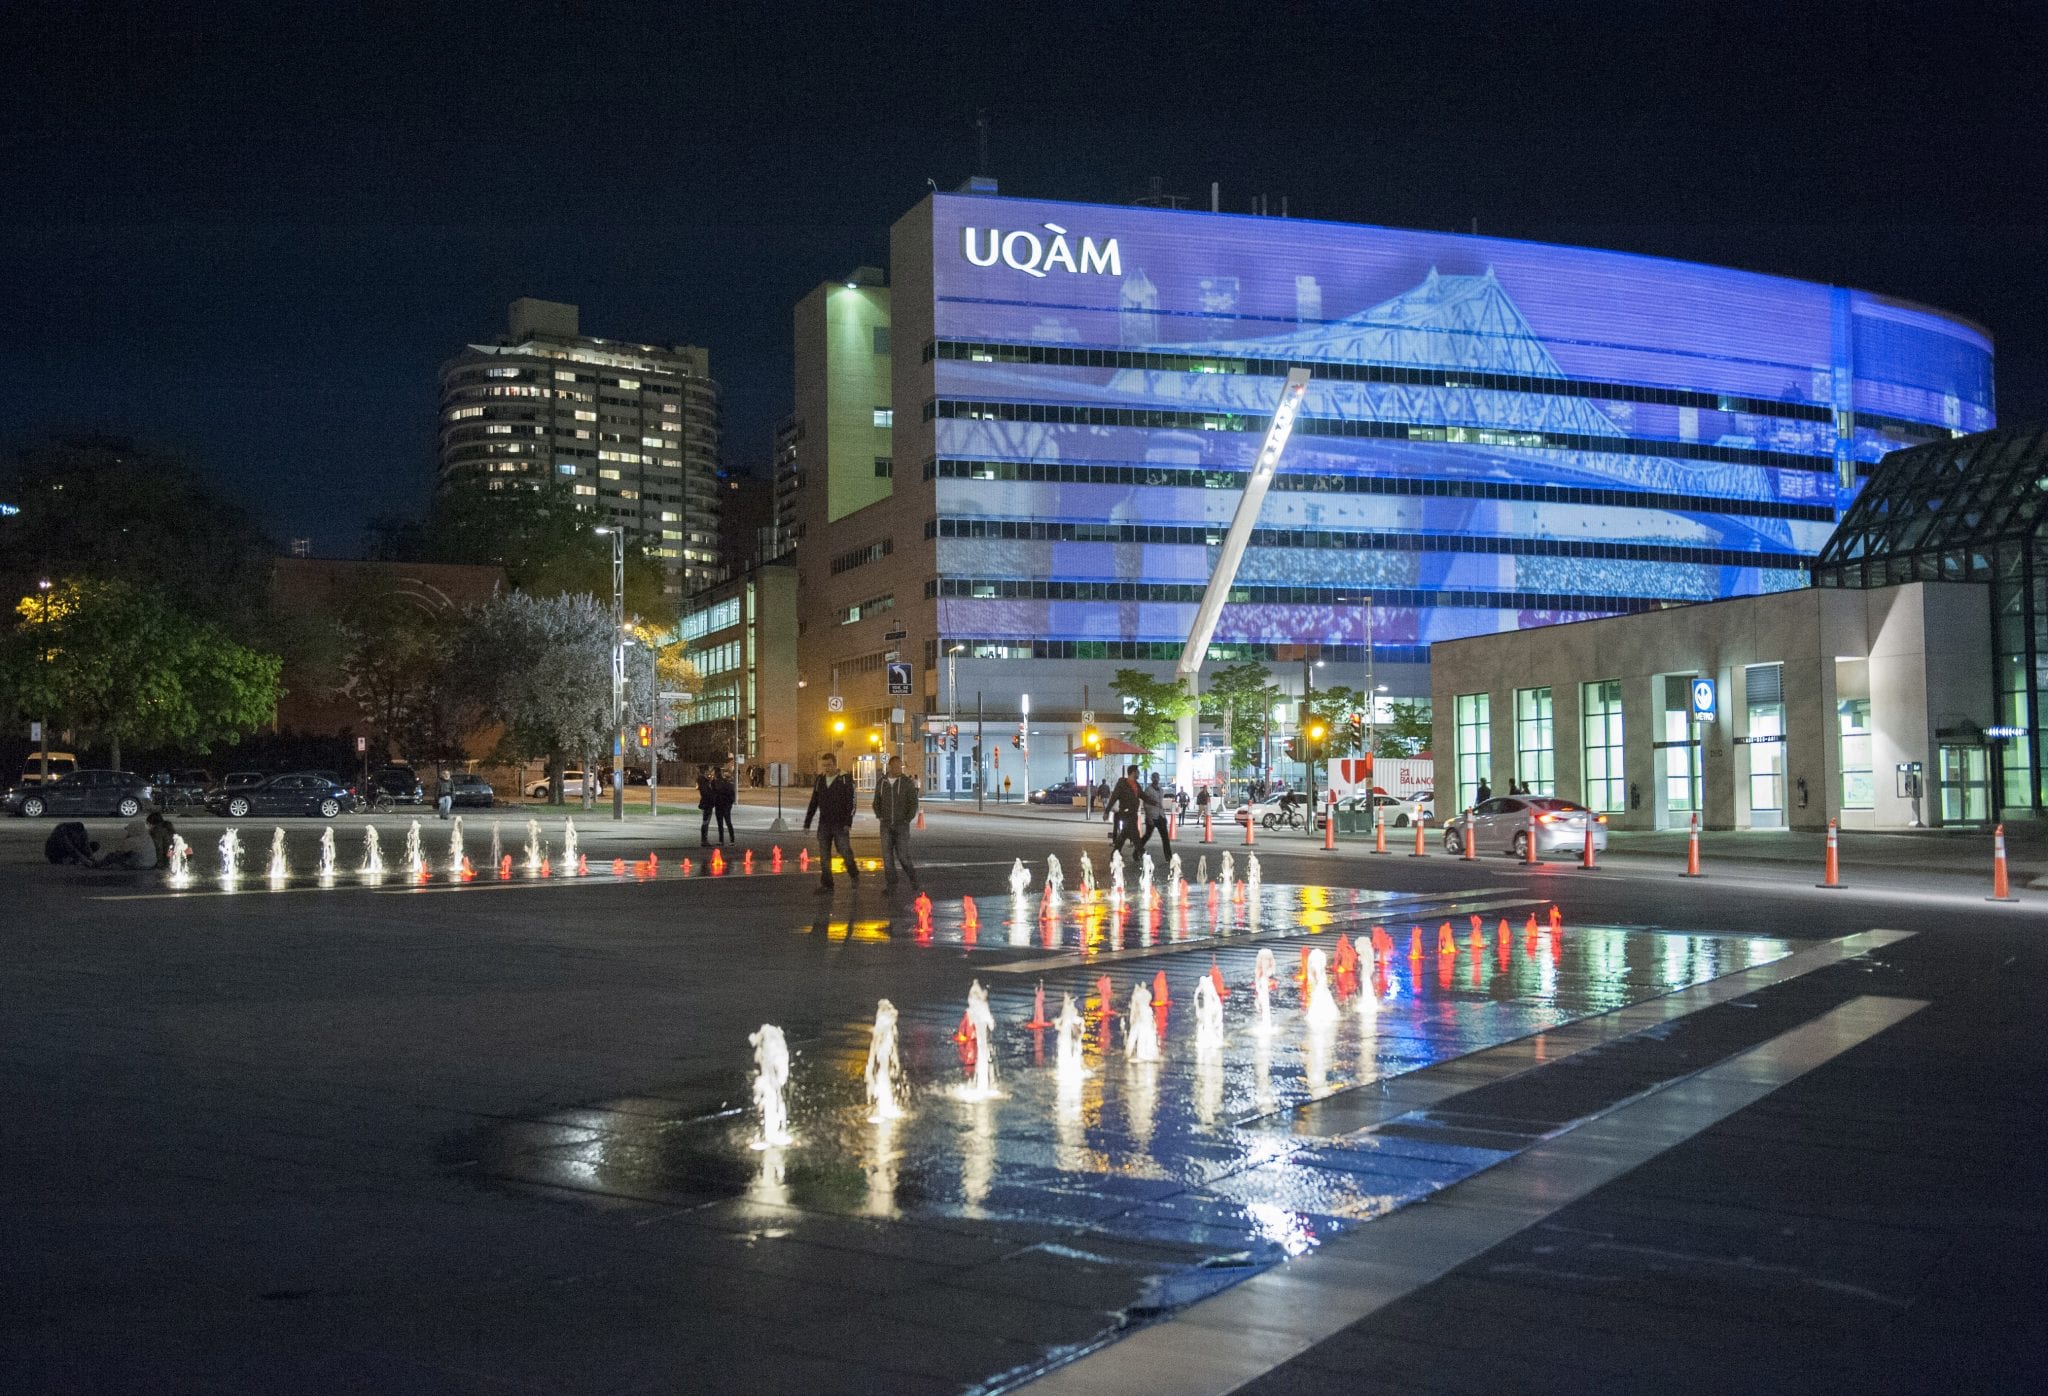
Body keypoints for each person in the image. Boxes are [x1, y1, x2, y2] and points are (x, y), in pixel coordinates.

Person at [803, 753, 859, 892]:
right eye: (824, 765)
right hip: (824, 824)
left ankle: (854, 874)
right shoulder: (820, 780)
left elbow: (852, 802)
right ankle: (827, 884)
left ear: (835, 764)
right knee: (824, 855)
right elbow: (814, 802)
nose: (826, 768)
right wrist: (807, 822)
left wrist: (848, 822)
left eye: (829, 765)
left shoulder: (845, 780)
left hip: (840, 824)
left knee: (844, 851)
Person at [871, 755, 922, 894]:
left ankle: (913, 879)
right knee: (887, 858)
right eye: (896, 766)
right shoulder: (882, 783)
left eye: (900, 766)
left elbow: (913, 803)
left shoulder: (907, 783)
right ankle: (891, 886)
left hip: (901, 826)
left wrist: (907, 819)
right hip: (886, 825)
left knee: (903, 856)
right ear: (890, 766)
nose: (899, 768)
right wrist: (880, 815)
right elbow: (876, 802)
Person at [1104, 764, 1143, 857]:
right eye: (1138, 772)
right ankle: (1142, 853)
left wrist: (1153, 802)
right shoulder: (1122, 784)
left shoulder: (1136, 785)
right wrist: (1107, 811)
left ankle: (1115, 853)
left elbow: (1143, 795)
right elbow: (1113, 798)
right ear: (1133, 773)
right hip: (1126, 813)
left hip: (1133, 813)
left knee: (1124, 834)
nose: (1139, 773)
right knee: (1135, 835)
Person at [1139, 773, 1173, 858]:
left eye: (1157, 777)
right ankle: (1137, 851)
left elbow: (1160, 804)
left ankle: (1168, 856)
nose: (1156, 779)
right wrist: (1149, 817)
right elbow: (1146, 805)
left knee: (1165, 837)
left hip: (1160, 816)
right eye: (1154, 778)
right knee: (1147, 836)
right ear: (1152, 779)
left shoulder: (1161, 790)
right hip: (1152, 816)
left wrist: (1164, 816)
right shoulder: (1148, 790)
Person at [713, 766, 737, 844]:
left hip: (721, 804)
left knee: (722, 823)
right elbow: (732, 793)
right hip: (724, 804)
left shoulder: (716, 782)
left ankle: (722, 840)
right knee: (727, 822)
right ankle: (730, 840)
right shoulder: (725, 782)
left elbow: (714, 793)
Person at [698, 766, 718, 847]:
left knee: (706, 822)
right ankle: (704, 840)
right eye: (708, 772)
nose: (709, 774)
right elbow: (706, 793)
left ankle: (704, 839)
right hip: (707, 804)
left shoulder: (705, 781)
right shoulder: (703, 782)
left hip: (707, 803)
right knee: (705, 822)